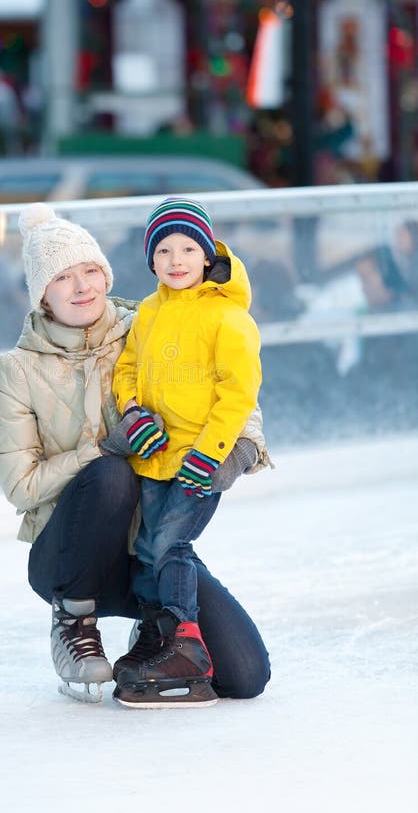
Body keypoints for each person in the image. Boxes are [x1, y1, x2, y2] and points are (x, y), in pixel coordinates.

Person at [0, 203, 271, 706]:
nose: (83, 288)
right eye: (64, 279)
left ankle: (154, 632)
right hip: (71, 554)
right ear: (42, 295)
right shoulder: (18, 369)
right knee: (111, 474)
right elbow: (20, 483)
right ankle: (74, 619)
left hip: (148, 540)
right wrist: (106, 445)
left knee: (245, 675)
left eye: (91, 271)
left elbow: (231, 390)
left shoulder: (147, 321)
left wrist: (243, 448)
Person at [109, 197, 269, 707]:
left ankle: (187, 647)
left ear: (207, 255)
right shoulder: (149, 312)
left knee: (170, 548)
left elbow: (238, 393)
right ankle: (160, 638)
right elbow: (126, 368)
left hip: (197, 461)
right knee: (148, 549)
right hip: (153, 456)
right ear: (151, 261)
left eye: (187, 248)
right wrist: (132, 409)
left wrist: (210, 453)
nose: (176, 259)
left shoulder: (228, 317)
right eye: (164, 250)